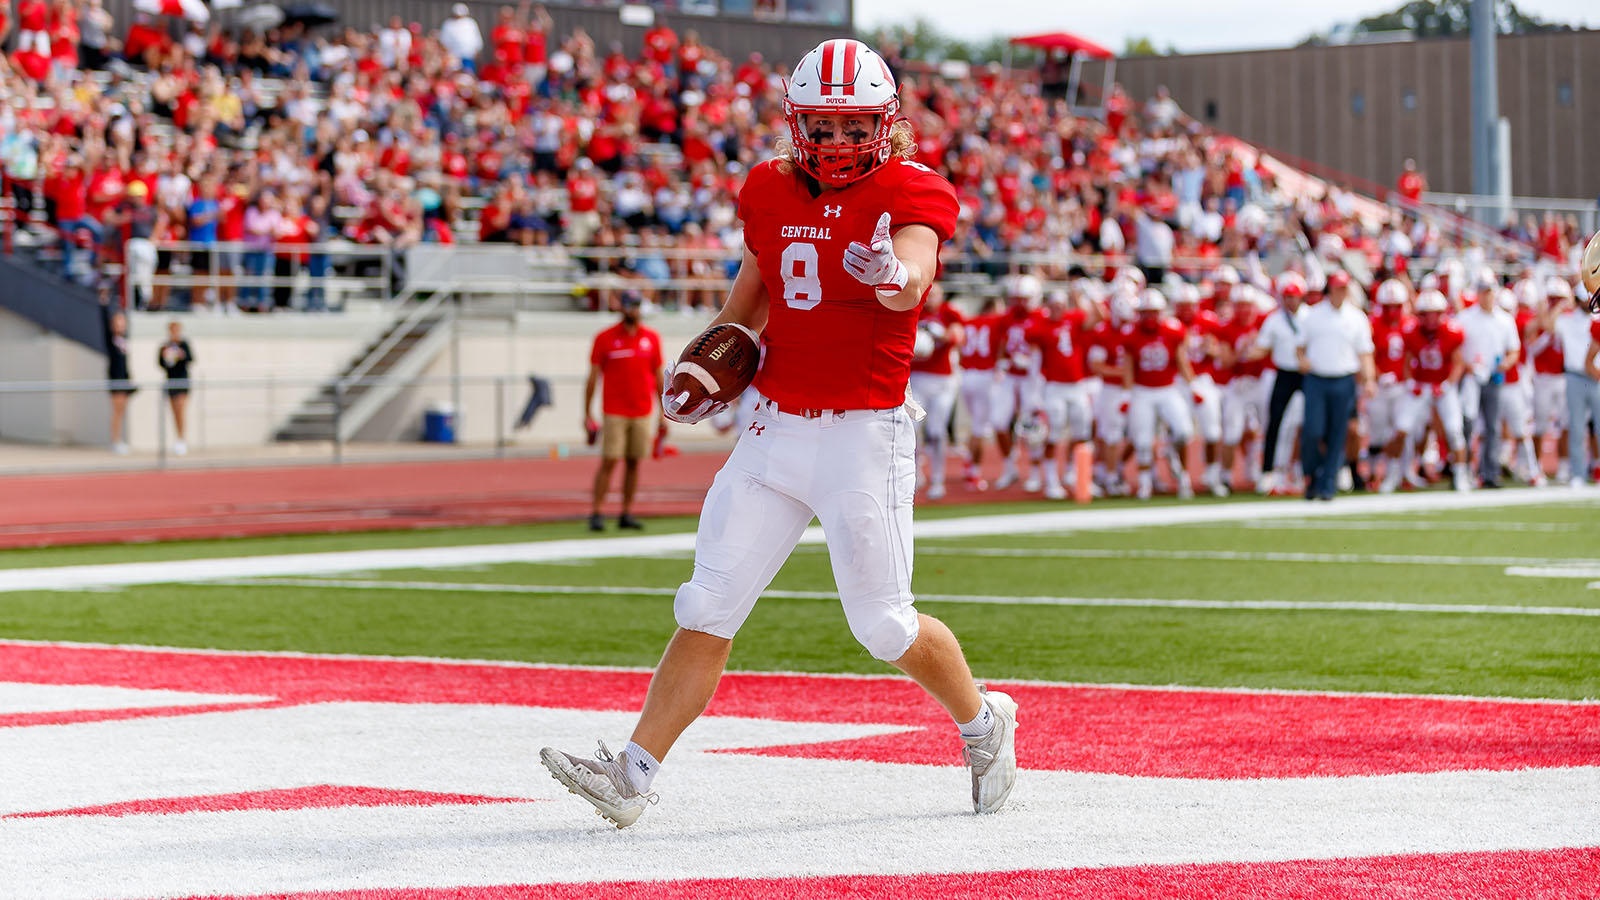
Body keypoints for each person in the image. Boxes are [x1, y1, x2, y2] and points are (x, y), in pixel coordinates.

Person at [541, 38, 1018, 829]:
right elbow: (746, 307)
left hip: (863, 435)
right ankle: (631, 776)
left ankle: (982, 722)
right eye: (821, 128)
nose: (835, 143)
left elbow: (913, 276)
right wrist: (708, 369)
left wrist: (889, 277)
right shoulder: (767, 188)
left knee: (884, 624)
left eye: (852, 126)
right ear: (796, 124)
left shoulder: (913, 188)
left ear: (885, 123)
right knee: (708, 602)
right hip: (771, 428)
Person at [583, 289, 663, 531]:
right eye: (630, 305)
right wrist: (587, 412)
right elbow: (593, 377)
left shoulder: (651, 338)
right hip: (615, 410)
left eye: (637, 305)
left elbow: (658, 377)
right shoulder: (605, 338)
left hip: (642, 409)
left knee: (634, 462)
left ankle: (626, 512)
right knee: (609, 460)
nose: (633, 310)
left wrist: (664, 412)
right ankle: (596, 511)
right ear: (622, 307)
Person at [1294, 271, 1374, 500]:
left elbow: (1365, 352)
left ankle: (1327, 483)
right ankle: (1311, 473)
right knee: (1312, 429)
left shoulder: (1357, 317)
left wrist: (1368, 379)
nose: (1341, 292)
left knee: (1337, 434)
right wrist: (1302, 360)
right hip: (1317, 379)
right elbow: (1300, 346)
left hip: (1343, 379)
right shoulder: (1313, 315)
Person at [1250, 272, 1309, 494]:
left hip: (1306, 375)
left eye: (1294, 296)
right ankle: (1268, 472)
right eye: (1287, 296)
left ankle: (1303, 469)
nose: (1290, 301)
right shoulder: (1274, 319)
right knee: (1275, 422)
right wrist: (1247, 352)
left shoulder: (1311, 317)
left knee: (1309, 423)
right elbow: (1261, 348)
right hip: (1283, 373)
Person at [157, 319, 194, 456]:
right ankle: (178, 439)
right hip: (171, 382)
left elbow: (191, 359)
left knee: (181, 410)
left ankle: (182, 439)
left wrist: (181, 355)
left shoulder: (184, 344)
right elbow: (161, 364)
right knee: (174, 412)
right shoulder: (165, 346)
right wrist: (165, 356)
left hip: (182, 382)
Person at [101, 299, 133, 455]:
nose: (121, 326)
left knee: (122, 412)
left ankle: (119, 439)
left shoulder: (123, 340)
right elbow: (104, 325)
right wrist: (104, 306)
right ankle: (115, 440)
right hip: (115, 380)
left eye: (122, 323)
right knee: (117, 412)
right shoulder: (111, 340)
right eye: (117, 323)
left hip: (125, 380)